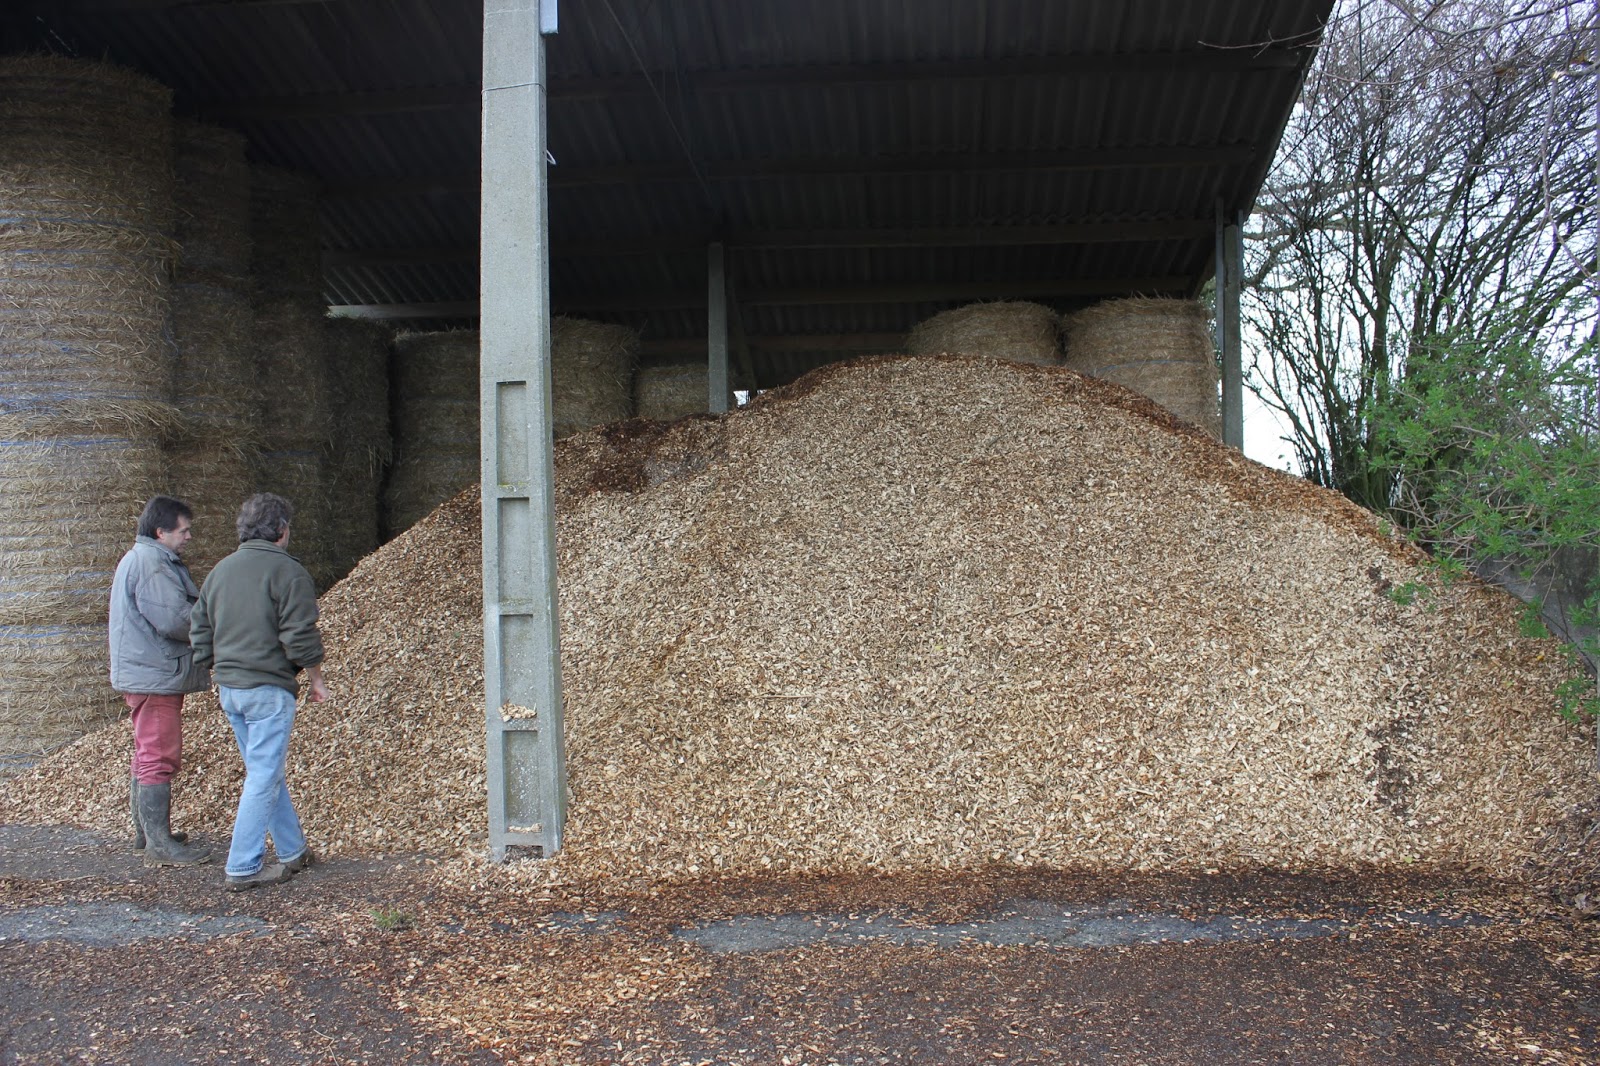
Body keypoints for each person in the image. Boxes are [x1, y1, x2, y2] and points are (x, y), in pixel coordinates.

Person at [190, 493, 328, 892]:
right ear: (282, 531)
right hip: (268, 689)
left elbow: (199, 625)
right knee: (264, 776)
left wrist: (213, 663)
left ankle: (293, 850)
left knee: (264, 772)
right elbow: (300, 637)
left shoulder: (220, 571)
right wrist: (316, 680)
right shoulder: (288, 572)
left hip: (230, 689)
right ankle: (242, 867)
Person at [109, 495, 213, 867]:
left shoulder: (139, 558)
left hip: (145, 671)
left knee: (145, 753)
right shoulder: (153, 564)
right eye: (184, 530)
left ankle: (146, 833)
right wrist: (215, 626)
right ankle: (159, 845)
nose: (188, 537)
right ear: (161, 531)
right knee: (158, 755)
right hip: (156, 673)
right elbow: (175, 620)